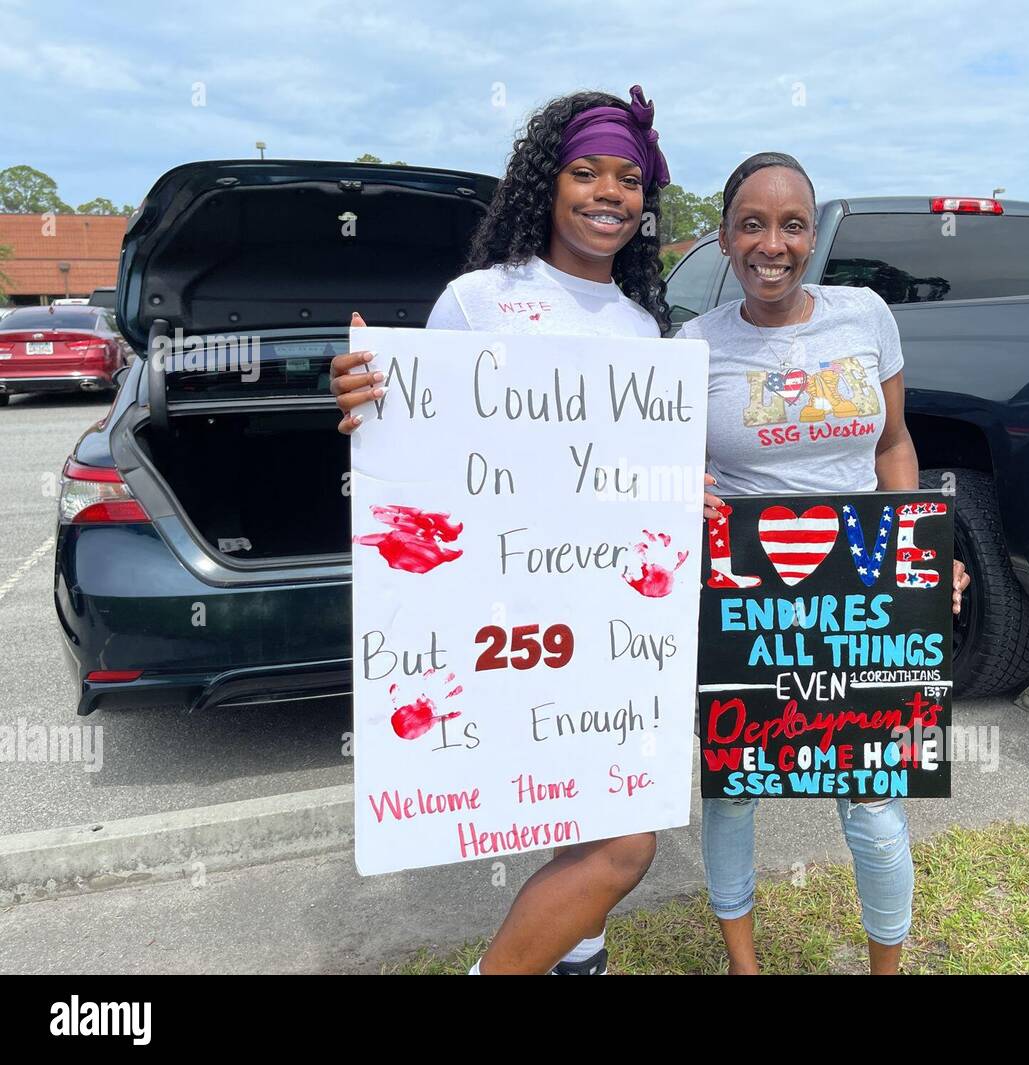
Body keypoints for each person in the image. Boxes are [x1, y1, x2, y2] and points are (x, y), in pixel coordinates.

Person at [329, 87, 673, 975]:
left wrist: (682, 495)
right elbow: (423, 452)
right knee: (621, 843)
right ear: (544, 185)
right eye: (585, 171)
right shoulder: (479, 301)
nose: (609, 193)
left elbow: (632, 475)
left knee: (595, 823)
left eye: (629, 180)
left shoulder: (643, 328)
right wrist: (367, 401)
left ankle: (579, 961)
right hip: (507, 614)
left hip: (609, 622)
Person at [683, 152, 971, 975]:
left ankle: (886, 969)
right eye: (751, 223)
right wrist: (686, 492)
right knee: (735, 788)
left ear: (813, 236)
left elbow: (893, 443)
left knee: (875, 798)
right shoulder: (693, 343)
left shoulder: (865, 315)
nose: (771, 243)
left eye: (791, 224)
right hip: (742, 593)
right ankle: (745, 965)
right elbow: (667, 464)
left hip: (859, 582)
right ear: (725, 235)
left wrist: (922, 551)